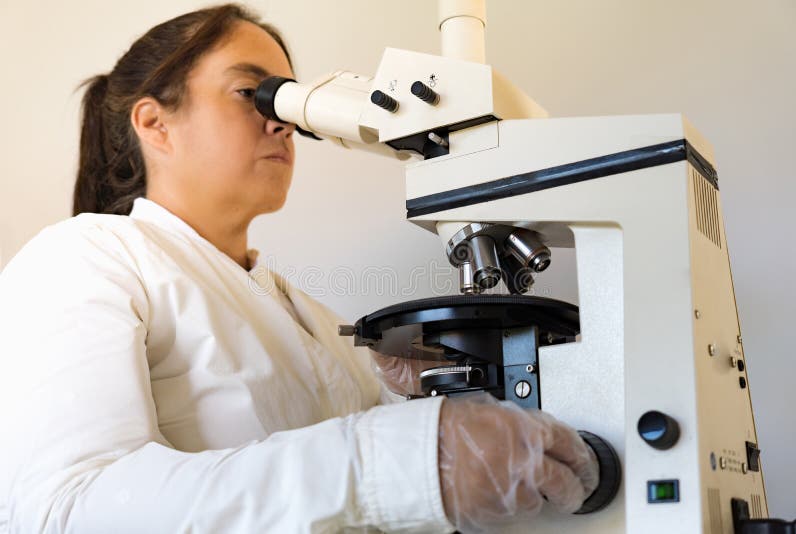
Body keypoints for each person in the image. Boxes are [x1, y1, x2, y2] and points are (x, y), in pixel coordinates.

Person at [0, 5, 598, 533]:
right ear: (155, 124)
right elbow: (65, 510)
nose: (281, 121)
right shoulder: (85, 257)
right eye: (252, 93)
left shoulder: (306, 315)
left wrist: (429, 410)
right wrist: (402, 459)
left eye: (285, 98)